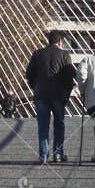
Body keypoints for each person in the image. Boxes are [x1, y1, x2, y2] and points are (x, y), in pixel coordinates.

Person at [24, 30, 77, 164]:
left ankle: (44, 156)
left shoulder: (38, 53)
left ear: (49, 41)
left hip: (41, 95)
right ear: (60, 41)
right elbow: (69, 76)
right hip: (58, 96)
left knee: (43, 126)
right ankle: (58, 154)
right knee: (59, 124)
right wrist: (66, 93)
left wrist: (35, 86)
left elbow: (29, 73)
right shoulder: (65, 55)